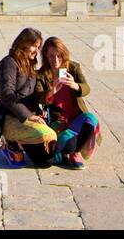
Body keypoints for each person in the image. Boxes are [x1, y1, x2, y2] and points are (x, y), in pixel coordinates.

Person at [0, 27, 58, 168]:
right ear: (23, 43)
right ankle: (10, 142)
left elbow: (34, 95)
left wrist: (50, 93)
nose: (37, 50)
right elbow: (6, 94)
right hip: (12, 117)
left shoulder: (30, 65)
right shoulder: (9, 63)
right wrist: (28, 116)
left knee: (46, 161)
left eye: (38, 47)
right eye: (34, 46)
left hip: (31, 117)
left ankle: (20, 143)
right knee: (49, 136)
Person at [36, 36, 101, 170]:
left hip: (76, 117)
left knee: (91, 120)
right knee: (69, 143)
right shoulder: (41, 74)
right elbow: (38, 97)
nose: (55, 60)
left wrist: (75, 85)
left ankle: (74, 153)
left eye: (59, 56)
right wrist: (51, 91)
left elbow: (86, 88)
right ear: (45, 56)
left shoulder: (73, 68)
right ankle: (65, 151)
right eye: (51, 56)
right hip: (58, 120)